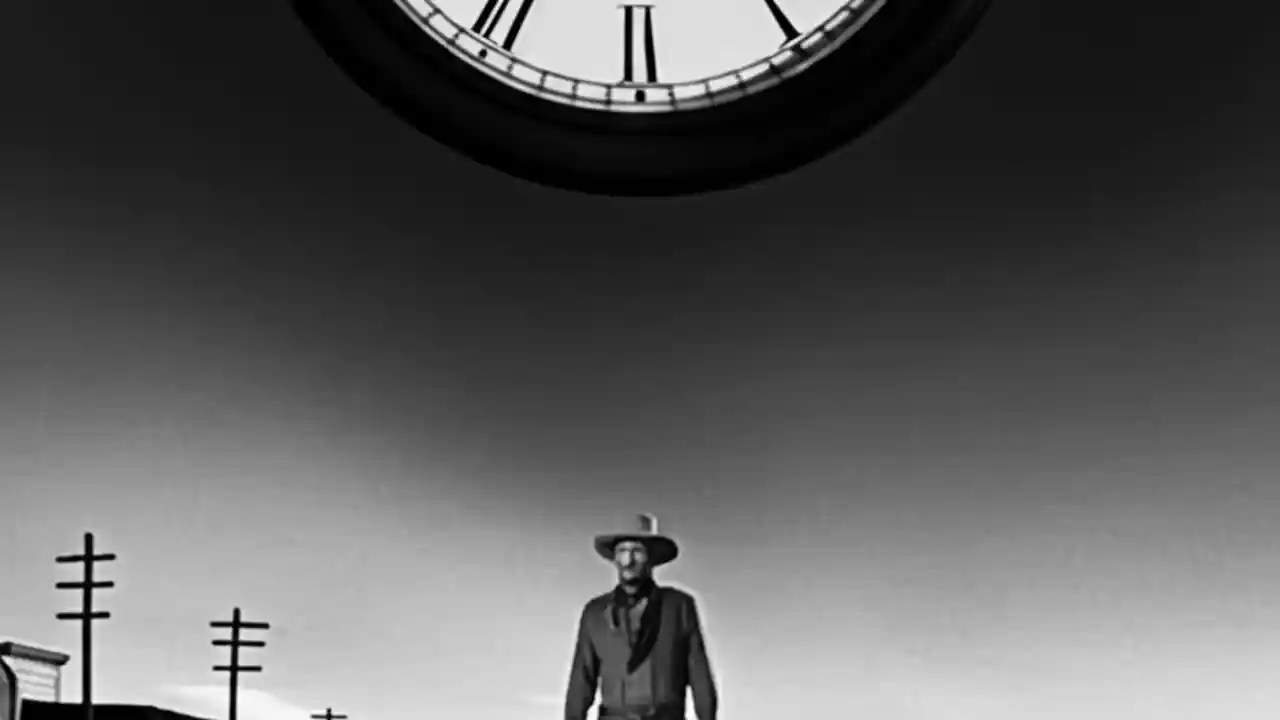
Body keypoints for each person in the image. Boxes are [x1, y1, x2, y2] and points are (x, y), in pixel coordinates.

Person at [564, 513, 719, 720]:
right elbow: (580, 683)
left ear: (652, 557)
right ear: (614, 558)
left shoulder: (678, 607)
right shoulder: (595, 613)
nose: (628, 561)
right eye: (622, 552)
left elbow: (700, 677)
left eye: (637, 551)